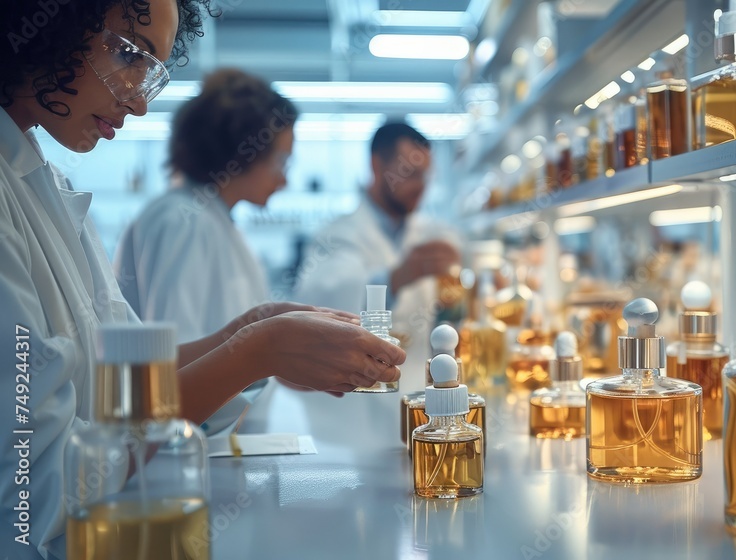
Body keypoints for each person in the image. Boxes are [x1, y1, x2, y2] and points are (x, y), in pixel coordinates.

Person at [0, 2, 403, 558]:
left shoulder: (40, 178)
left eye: (151, 71)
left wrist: (252, 331)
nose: (139, 101)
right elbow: (41, 483)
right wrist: (255, 350)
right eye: (127, 53)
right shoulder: (177, 220)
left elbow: (127, 375)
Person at [115, 68, 293, 344]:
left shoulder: (210, 218)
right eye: (280, 161)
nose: (284, 180)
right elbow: (176, 352)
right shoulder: (183, 220)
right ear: (243, 151)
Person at [294, 123, 460, 374]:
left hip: (416, 385)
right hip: (355, 397)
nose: (421, 186)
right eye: (411, 174)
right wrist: (397, 277)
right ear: (377, 166)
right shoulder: (337, 235)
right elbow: (322, 302)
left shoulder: (428, 232)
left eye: (425, 176)